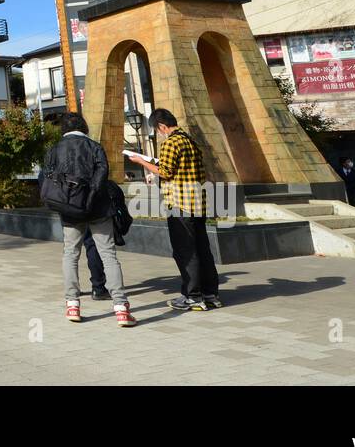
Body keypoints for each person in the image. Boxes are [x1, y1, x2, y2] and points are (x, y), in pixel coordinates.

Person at [39, 112, 134, 326]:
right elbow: (102, 176)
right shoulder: (94, 147)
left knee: (70, 254)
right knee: (108, 254)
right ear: (84, 127)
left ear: (63, 129)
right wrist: (90, 197)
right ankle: (121, 308)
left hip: (69, 209)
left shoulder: (54, 150)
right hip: (98, 208)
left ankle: (72, 304)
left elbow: (47, 178)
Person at [129, 109, 222, 312]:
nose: (160, 133)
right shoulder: (190, 141)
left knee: (186, 251)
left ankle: (193, 296)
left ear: (162, 126)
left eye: (158, 129)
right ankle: (211, 294)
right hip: (198, 203)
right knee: (203, 249)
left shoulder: (171, 142)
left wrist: (141, 162)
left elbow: (166, 172)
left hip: (180, 205)